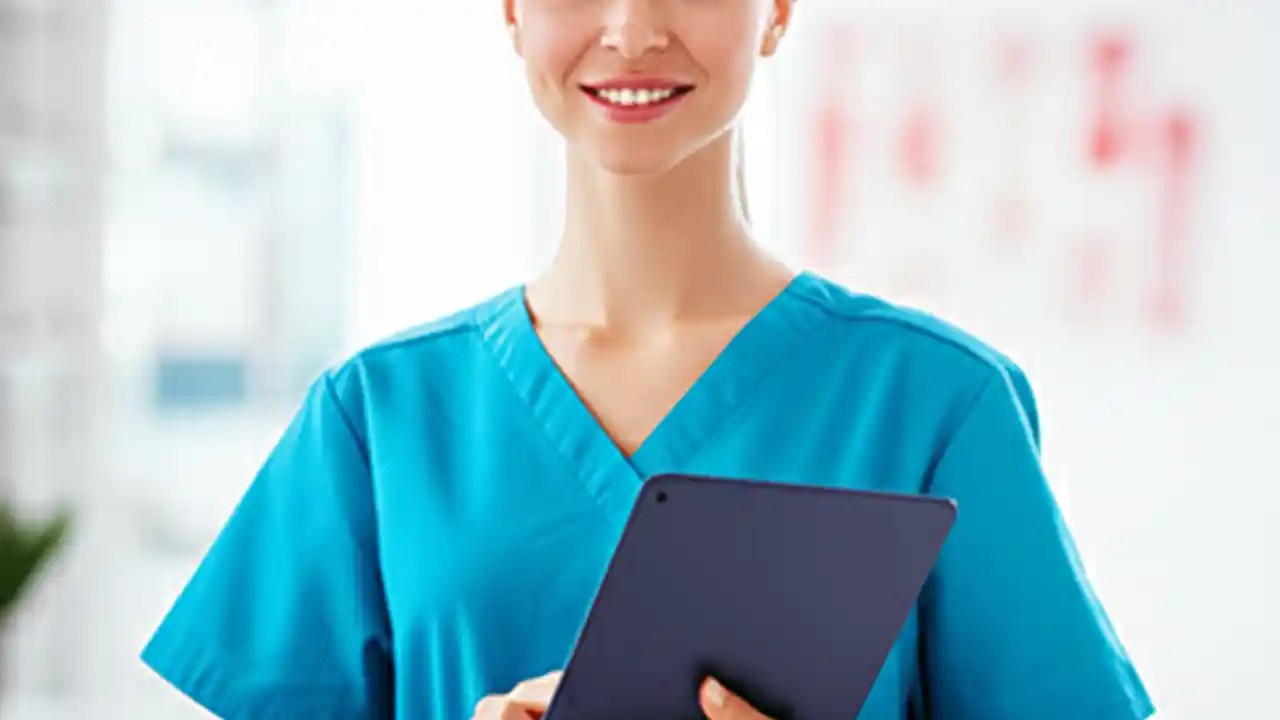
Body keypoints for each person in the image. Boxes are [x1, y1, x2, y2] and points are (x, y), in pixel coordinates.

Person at [141, 1, 1156, 718]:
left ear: (777, 9)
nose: (631, 27)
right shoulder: (377, 420)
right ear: (508, 8)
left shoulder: (933, 406)